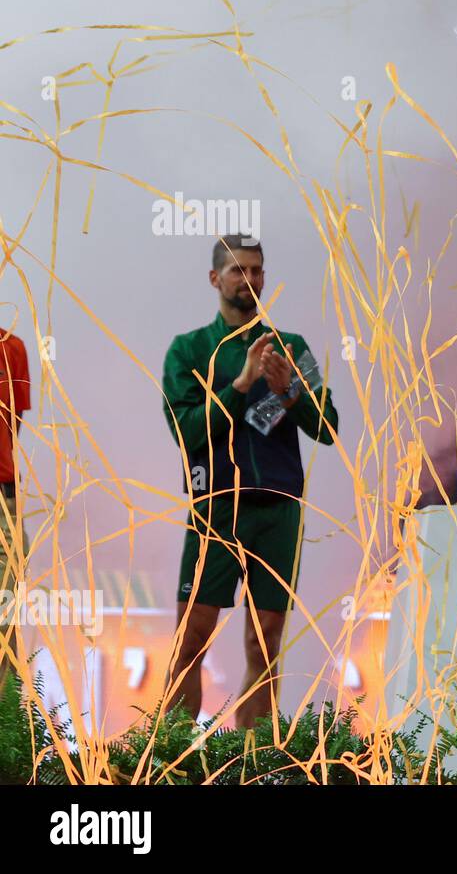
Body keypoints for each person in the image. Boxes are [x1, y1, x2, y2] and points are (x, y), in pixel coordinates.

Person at [161, 237, 339, 727]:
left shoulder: (292, 347)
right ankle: (172, 761)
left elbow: (328, 428)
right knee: (191, 638)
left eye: (258, 270)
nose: (251, 280)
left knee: (266, 641)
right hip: (215, 507)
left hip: (278, 508)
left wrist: (290, 392)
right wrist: (240, 386)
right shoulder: (189, 350)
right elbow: (187, 431)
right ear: (216, 278)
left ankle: (253, 767)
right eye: (239, 270)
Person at [0, 323, 31, 692]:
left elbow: (13, 427)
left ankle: (6, 742)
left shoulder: (12, 347)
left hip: (4, 500)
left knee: (5, 620)